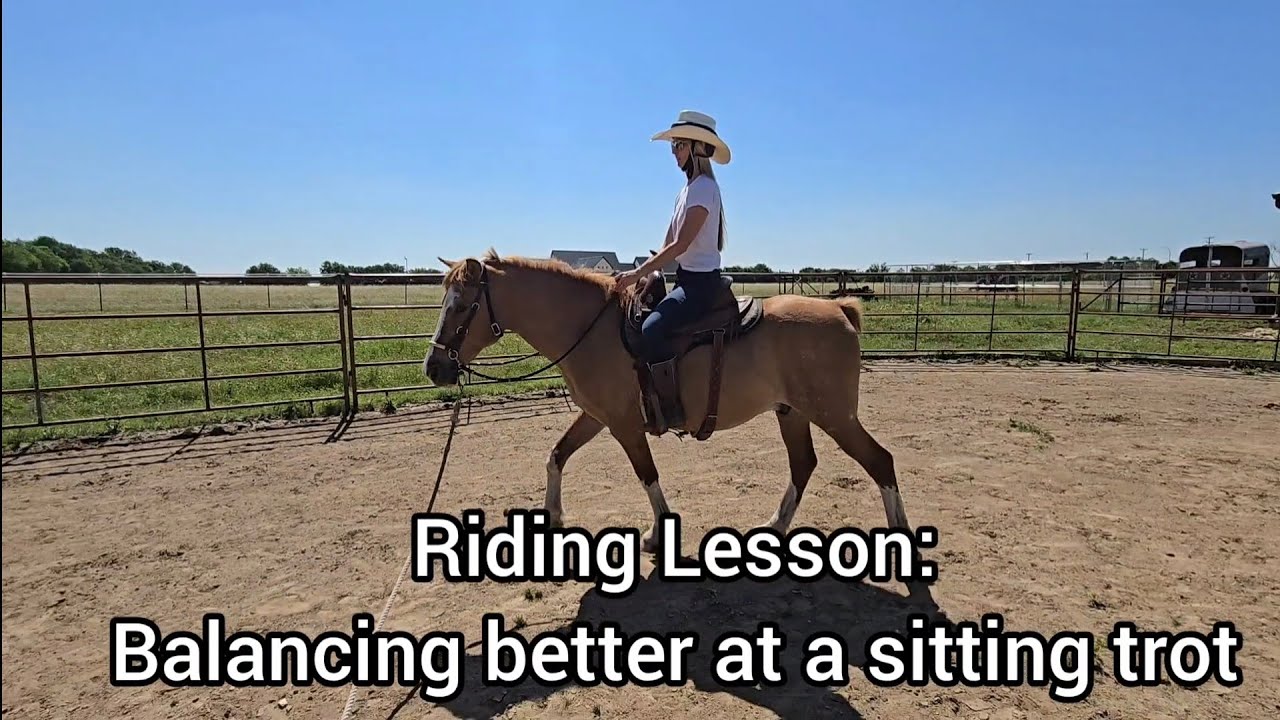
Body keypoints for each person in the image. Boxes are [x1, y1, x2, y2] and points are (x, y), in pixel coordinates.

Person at [615, 109, 731, 431]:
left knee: (652, 329)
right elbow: (667, 243)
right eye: (673, 146)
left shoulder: (705, 188)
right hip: (685, 280)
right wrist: (645, 271)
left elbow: (679, 246)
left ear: (696, 148)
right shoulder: (687, 191)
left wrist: (635, 276)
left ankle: (671, 407)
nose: (674, 153)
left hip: (700, 286)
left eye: (678, 145)